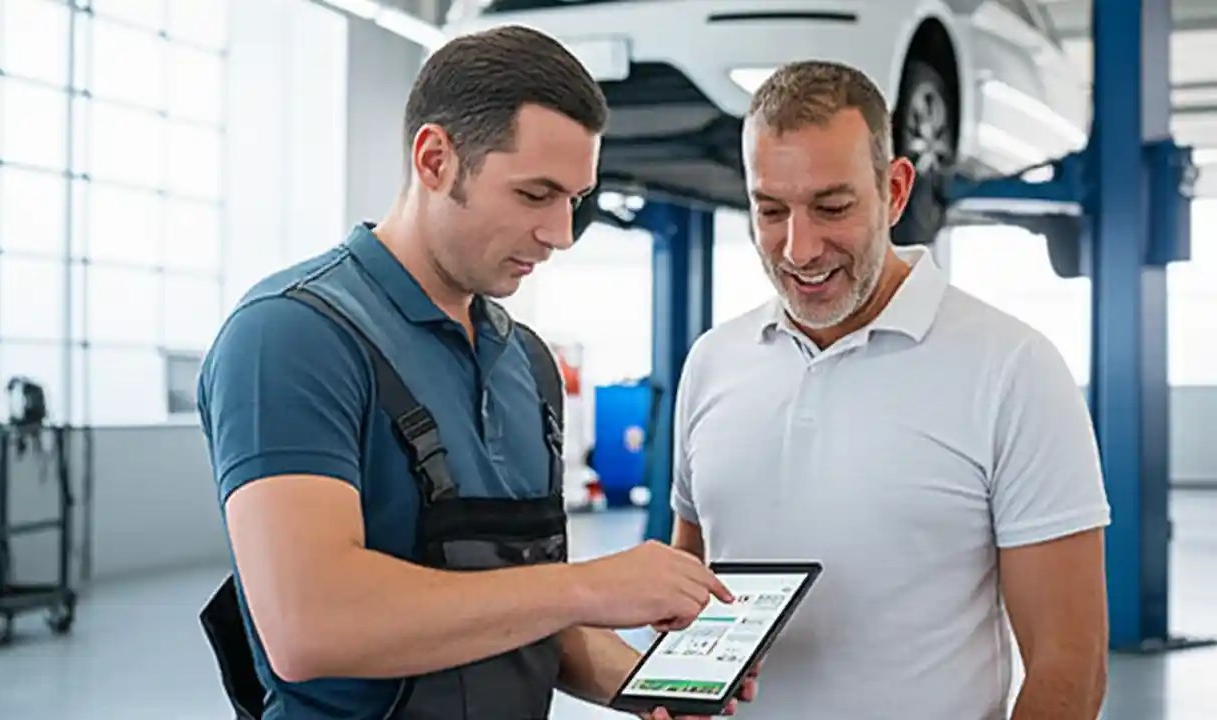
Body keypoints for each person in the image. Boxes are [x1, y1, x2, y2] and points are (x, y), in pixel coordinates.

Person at [197, 25, 756, 720]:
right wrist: (590, 586)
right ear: (435, 159)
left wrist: (658, 686)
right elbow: (311, 626)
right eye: (535, 194)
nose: (559, 234)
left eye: (574, 200)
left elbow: (527, 613)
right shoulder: (291, 336)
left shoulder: (527, 364)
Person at [669, 60, 1112, 719]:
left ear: (895, 190)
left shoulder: (1012, 369)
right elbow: (687, 589)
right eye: (771, 210)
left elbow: (1069, 662)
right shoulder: (713, 361)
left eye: (832, 207)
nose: (798, 249)